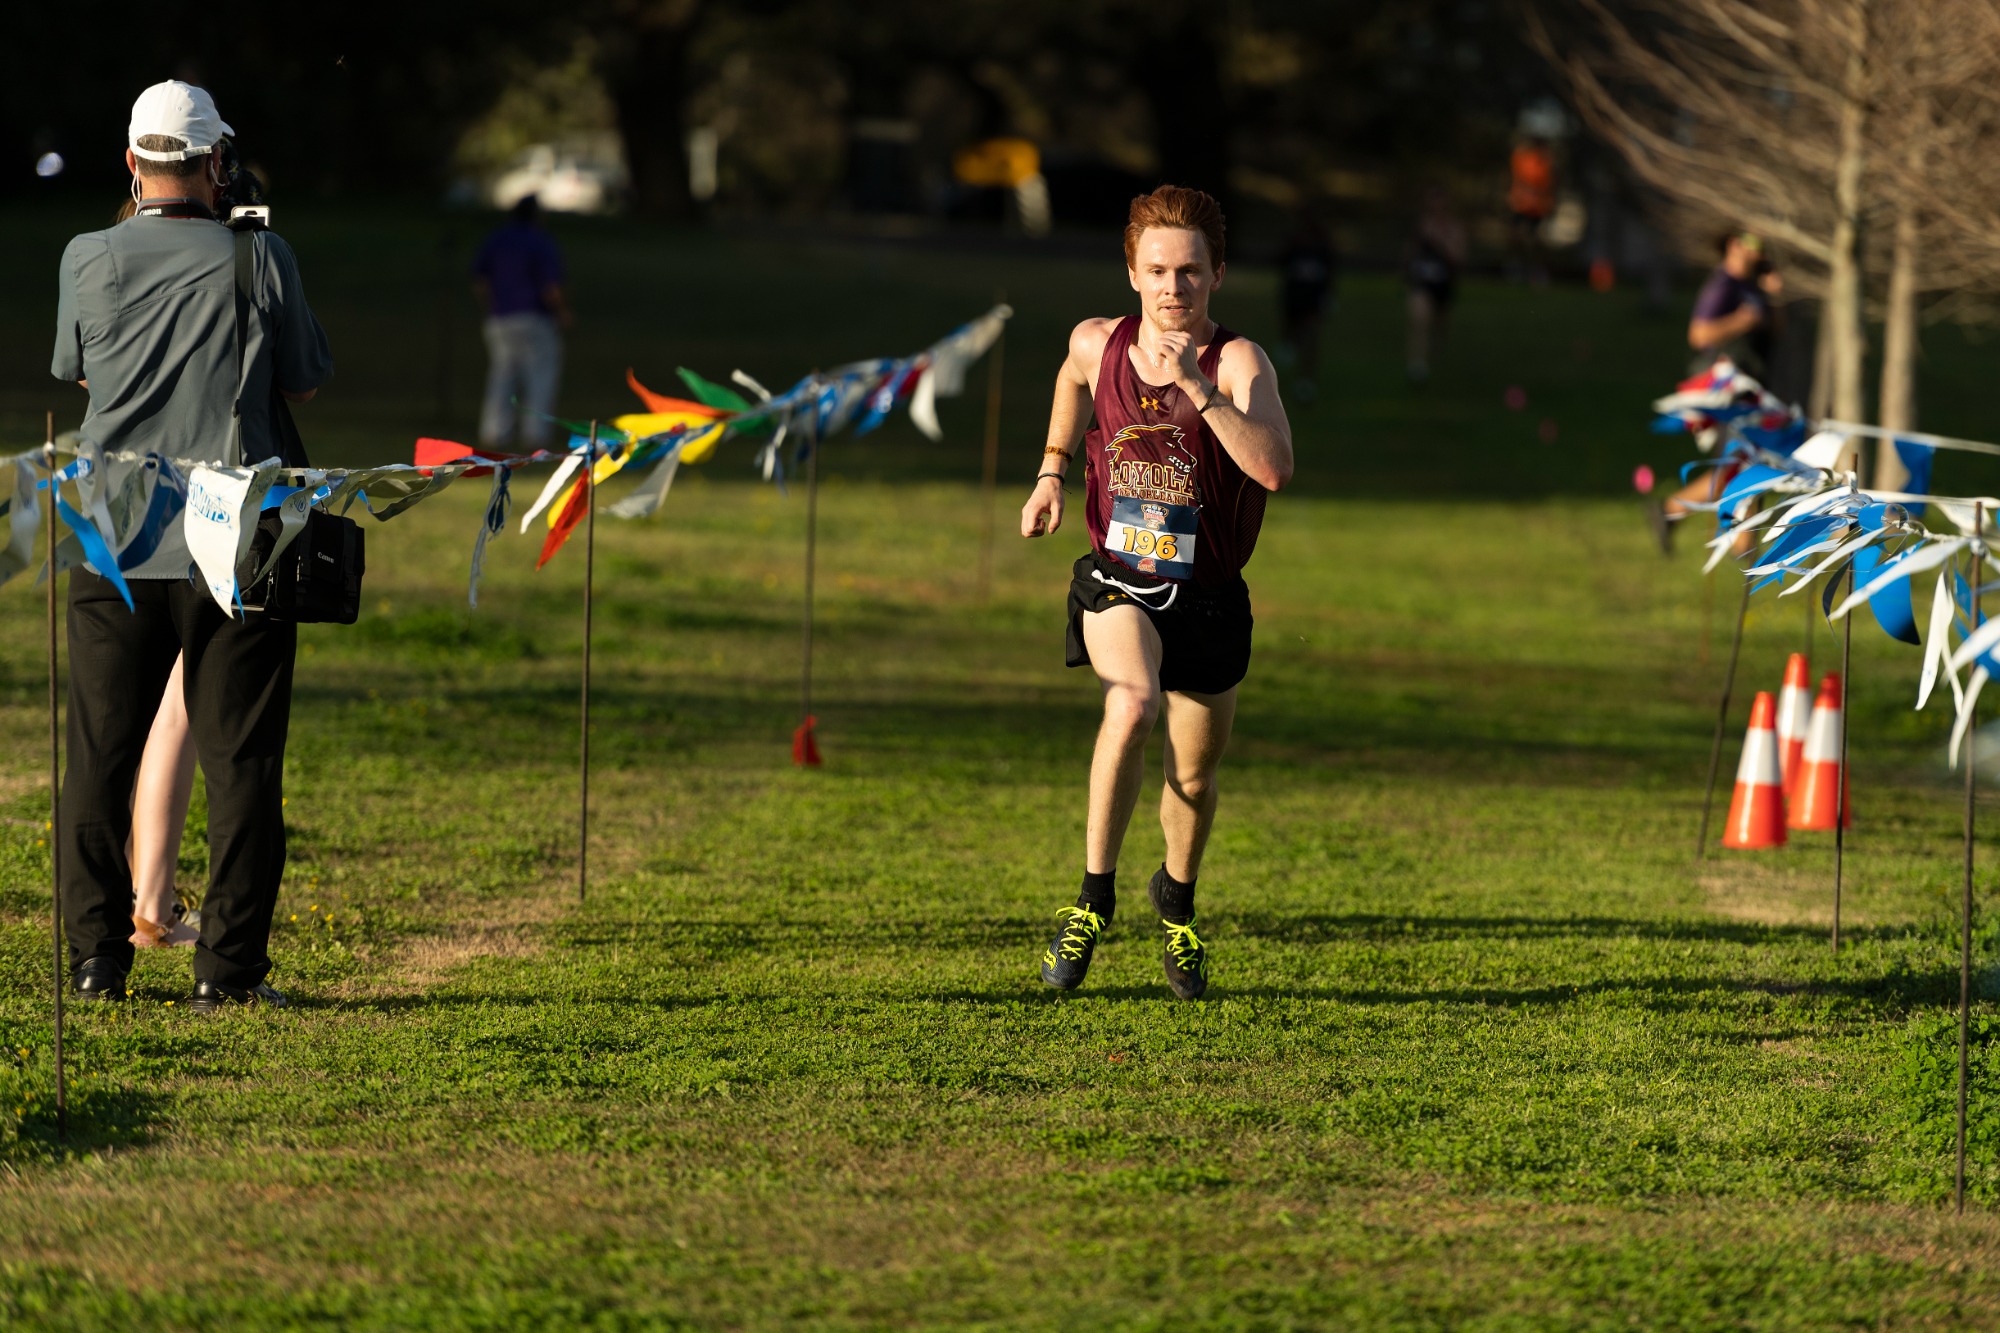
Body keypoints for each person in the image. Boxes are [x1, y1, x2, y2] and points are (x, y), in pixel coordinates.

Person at [52, 79, 332, 1009]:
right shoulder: (262, 258)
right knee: (242, 763)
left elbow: (81, 374)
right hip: (237, 536)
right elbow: (305, 383)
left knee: (99, 752)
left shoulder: (86, 254)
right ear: (217, 164)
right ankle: (229, 972)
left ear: (131, 163)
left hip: (115, 533)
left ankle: (97, 958)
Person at [1020, 185, 1293, 1001]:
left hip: (1209, 594)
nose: (1174, 289)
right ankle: (1092, 899)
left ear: (1216, 276)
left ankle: (1175, 898)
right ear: (1133, 273)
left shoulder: (1238, 364)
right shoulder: (1096, 342)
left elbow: (1274, 467)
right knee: (1132, 703)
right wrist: (1051, 472)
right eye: (1158, 271)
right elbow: (1070, 382)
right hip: (1119, 578)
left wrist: (1201, 392)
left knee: (1196, 779)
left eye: (1191, 272)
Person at [1650, 232, 1787, 552]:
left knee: (1748, 463)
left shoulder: (1754, 286)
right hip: (1726, 394)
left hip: (1751, 392)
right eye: (1749, 242)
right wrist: (1742, 320)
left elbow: (1776, 331)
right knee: (1741, 465)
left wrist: (1775, 297)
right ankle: (1736, 540)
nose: (1755, 251)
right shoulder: (1722, 285)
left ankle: (1734, 537)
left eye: (1760, 246)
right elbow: (1699, 334)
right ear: (1731, 243)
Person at [473, 195, 571, 448]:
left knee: (502, 375)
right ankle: (536, 435)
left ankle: (494, 432)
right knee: (539, 376)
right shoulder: (540, 241)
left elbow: (480, 281)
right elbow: (551, 287)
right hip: (534, 317)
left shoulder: (498, 239)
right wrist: (562, 313)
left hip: (500, 318)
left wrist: (493, 304)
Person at [1404, 186, 1466, 385]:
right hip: (1422, 283)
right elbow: (1410, 252)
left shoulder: (1454, 229)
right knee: (1419, 320)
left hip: (1444, 285)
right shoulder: (1421, 226)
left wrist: (1439, 242)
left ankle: (1435, 359)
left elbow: (1458, 258)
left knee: (1439, 326)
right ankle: (1417, 366)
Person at [1275, 210, 1337, 403]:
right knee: (1294, 336)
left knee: (1311, 338)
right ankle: (1289, 352)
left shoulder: (1323, 248)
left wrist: (1328, 298)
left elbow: (1330, 274)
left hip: (1313, 301)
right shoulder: (1293, 245)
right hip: (1294, 300)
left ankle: (1305, 381)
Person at [1508, 137, 1556, 283]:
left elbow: (1550, 185)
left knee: (1537, 240)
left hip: (1538, 208)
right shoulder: (1524, 159)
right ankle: (1516, 268)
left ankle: (1538, 271)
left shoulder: (1547, 164)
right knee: (1517, 236)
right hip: (1522, 204)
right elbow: (1517, 178)